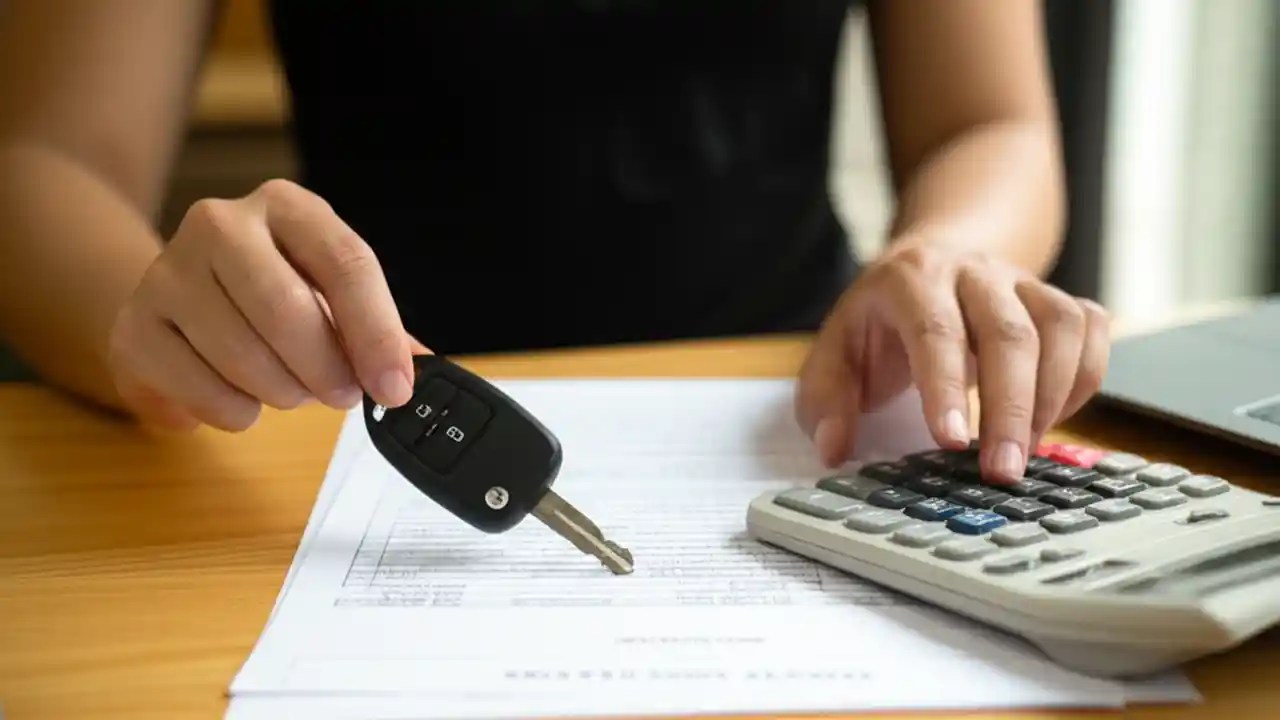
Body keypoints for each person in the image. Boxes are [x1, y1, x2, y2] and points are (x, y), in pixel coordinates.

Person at [0, 0, 1109, 485]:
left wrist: (950, 249)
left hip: (794, 400)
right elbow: (45, 164)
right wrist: (146, 318)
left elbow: (989, 124)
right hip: (336, 422)